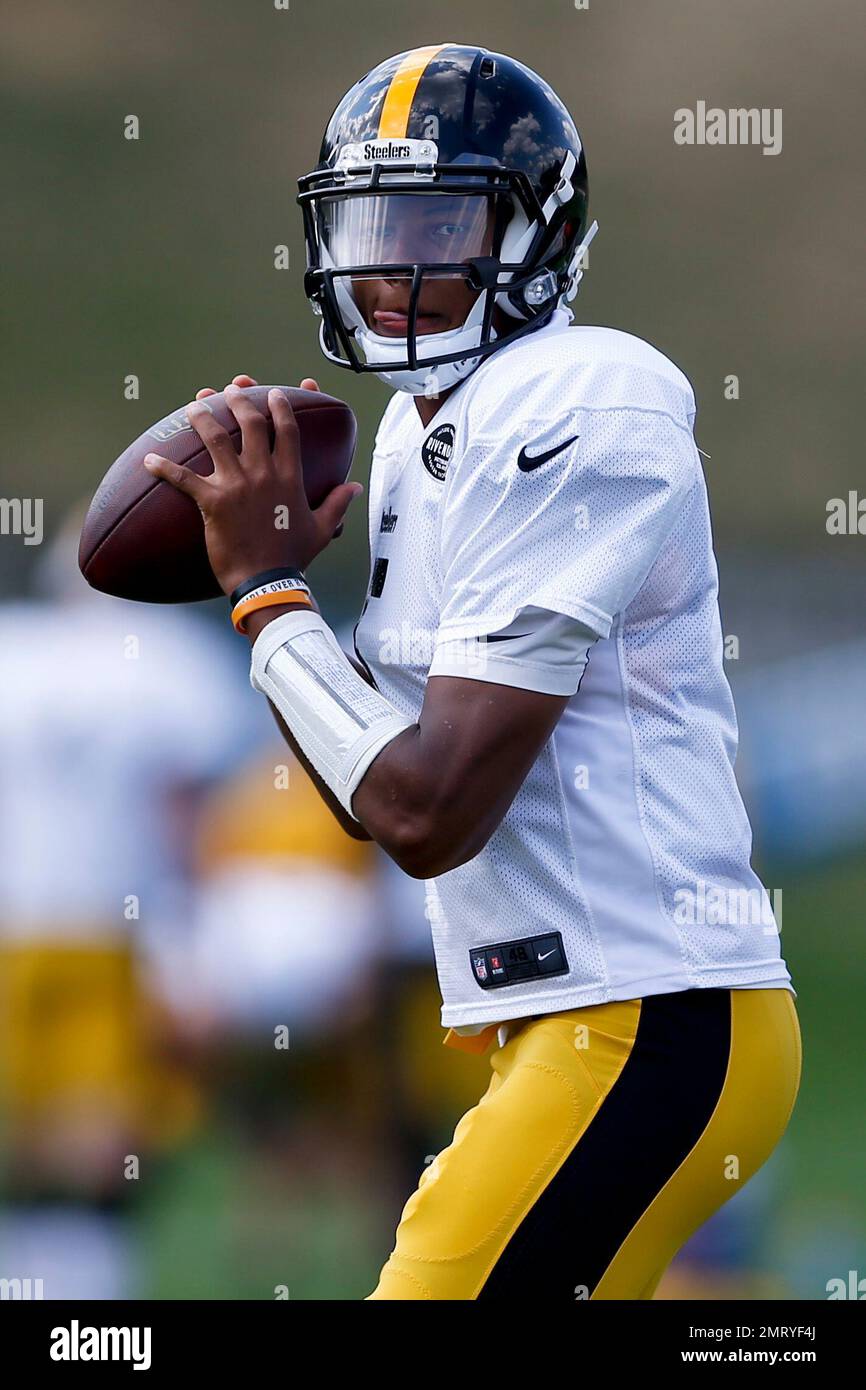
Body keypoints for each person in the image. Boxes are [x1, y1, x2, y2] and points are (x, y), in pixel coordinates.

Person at [143, 43, 802, 1300]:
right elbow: (375, 793)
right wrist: (282, 610)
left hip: (647, 1017)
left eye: (438, 220)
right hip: (571, 1021)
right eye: (368, 222)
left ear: (533, 231)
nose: (392, 264)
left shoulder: (578, 395)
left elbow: (428, 812)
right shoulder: (422, 426)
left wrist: (267, 598)